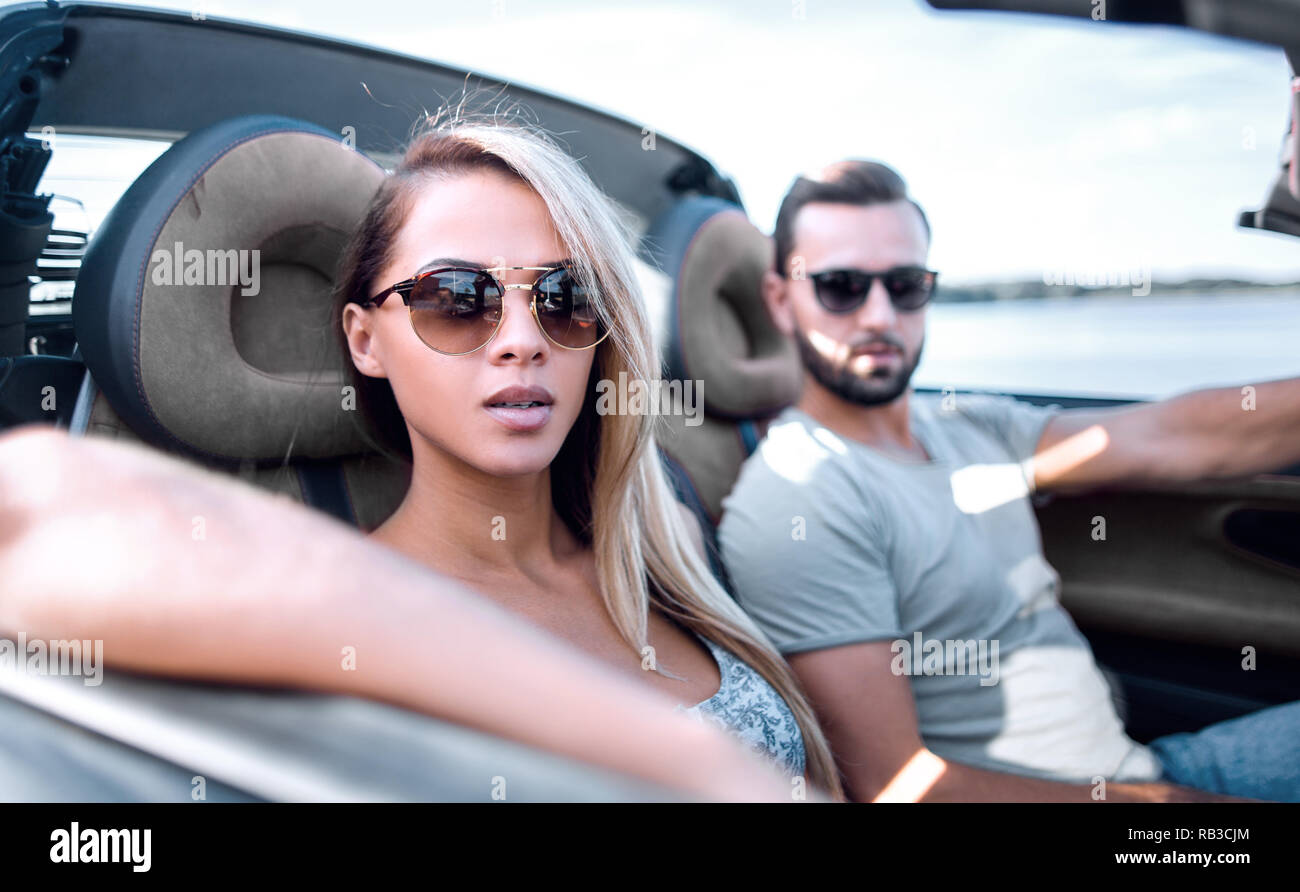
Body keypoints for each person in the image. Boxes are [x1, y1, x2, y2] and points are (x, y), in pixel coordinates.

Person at [0, 110, 843, 801]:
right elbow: (29, 513)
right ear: (365, 340)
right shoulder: (325, 624)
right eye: (455, 299)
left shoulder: (667, 542)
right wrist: (680, 764)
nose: (520, 340)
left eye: (565, 297)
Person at [718, 159, 1300, 802]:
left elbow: (1174, 435)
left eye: (906, 285)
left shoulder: (972, 426)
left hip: (1142, 772)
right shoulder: (800, 496)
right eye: (841, 286)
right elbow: (899, 787)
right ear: (780, 299)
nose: (879, 316)